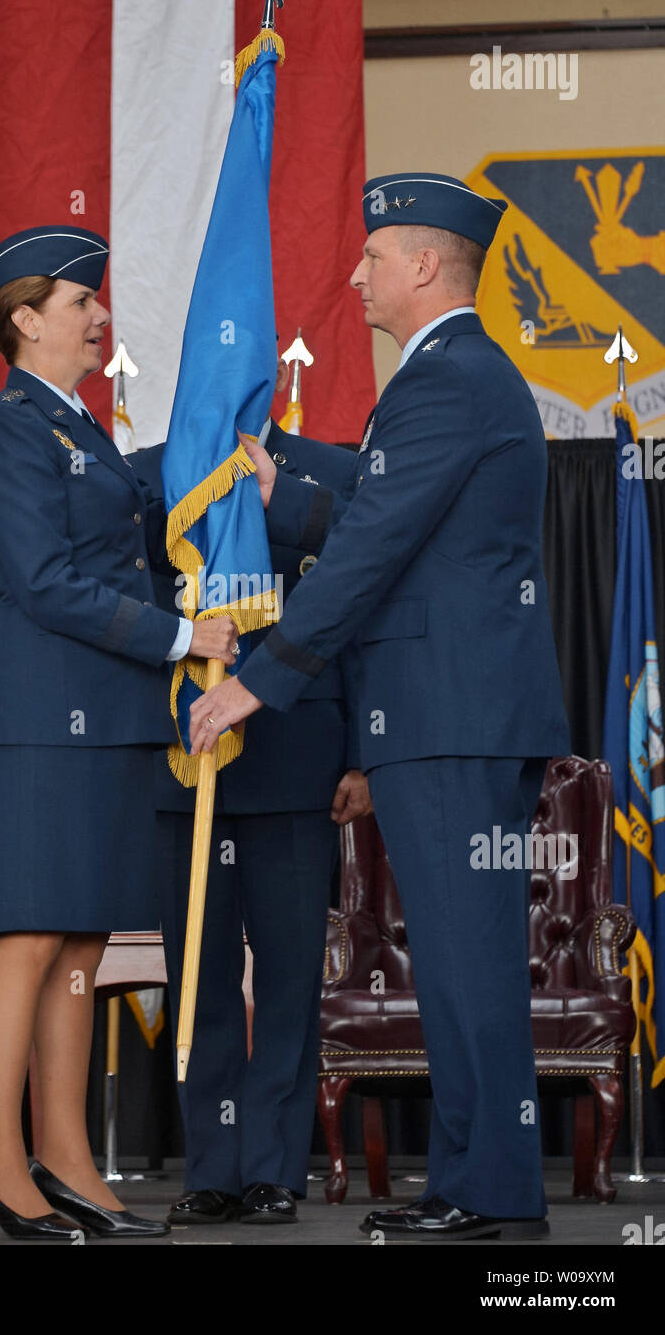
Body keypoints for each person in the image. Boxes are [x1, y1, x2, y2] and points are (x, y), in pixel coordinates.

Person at [188, 175, 571, 1241]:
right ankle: (470, 1178)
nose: (353, 275)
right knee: (456, 958)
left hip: (451, 715)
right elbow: (380, 503)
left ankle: (490, 1190)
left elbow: (368, 550)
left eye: (370, 257)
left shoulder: (445, 379)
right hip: (443, 714)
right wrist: (285, 488)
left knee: (468, 959)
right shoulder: (449, 378)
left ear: (423, 265)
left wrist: (258, 683)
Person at [0, 224, 238, 1240]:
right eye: (81, 304)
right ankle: (1, 1159)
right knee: (30, 937)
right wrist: (179, 634)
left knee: (79, 939)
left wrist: (222, 443)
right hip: (46, 720)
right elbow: (42, 582)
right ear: (26, 319)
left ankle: (67, 1157)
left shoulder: (73, 427)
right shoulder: (13, 430)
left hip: (102, 720)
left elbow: (127, 515)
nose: (98, 317)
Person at [132, 358, 368, 1224]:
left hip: (301, 759)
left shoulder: (331, 476)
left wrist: (364, 757)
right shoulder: (145, 477)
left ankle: (273, 1168)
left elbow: (359, 623)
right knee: (199, 980)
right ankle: (212, 1166)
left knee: (291, 980)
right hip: (182, 762)